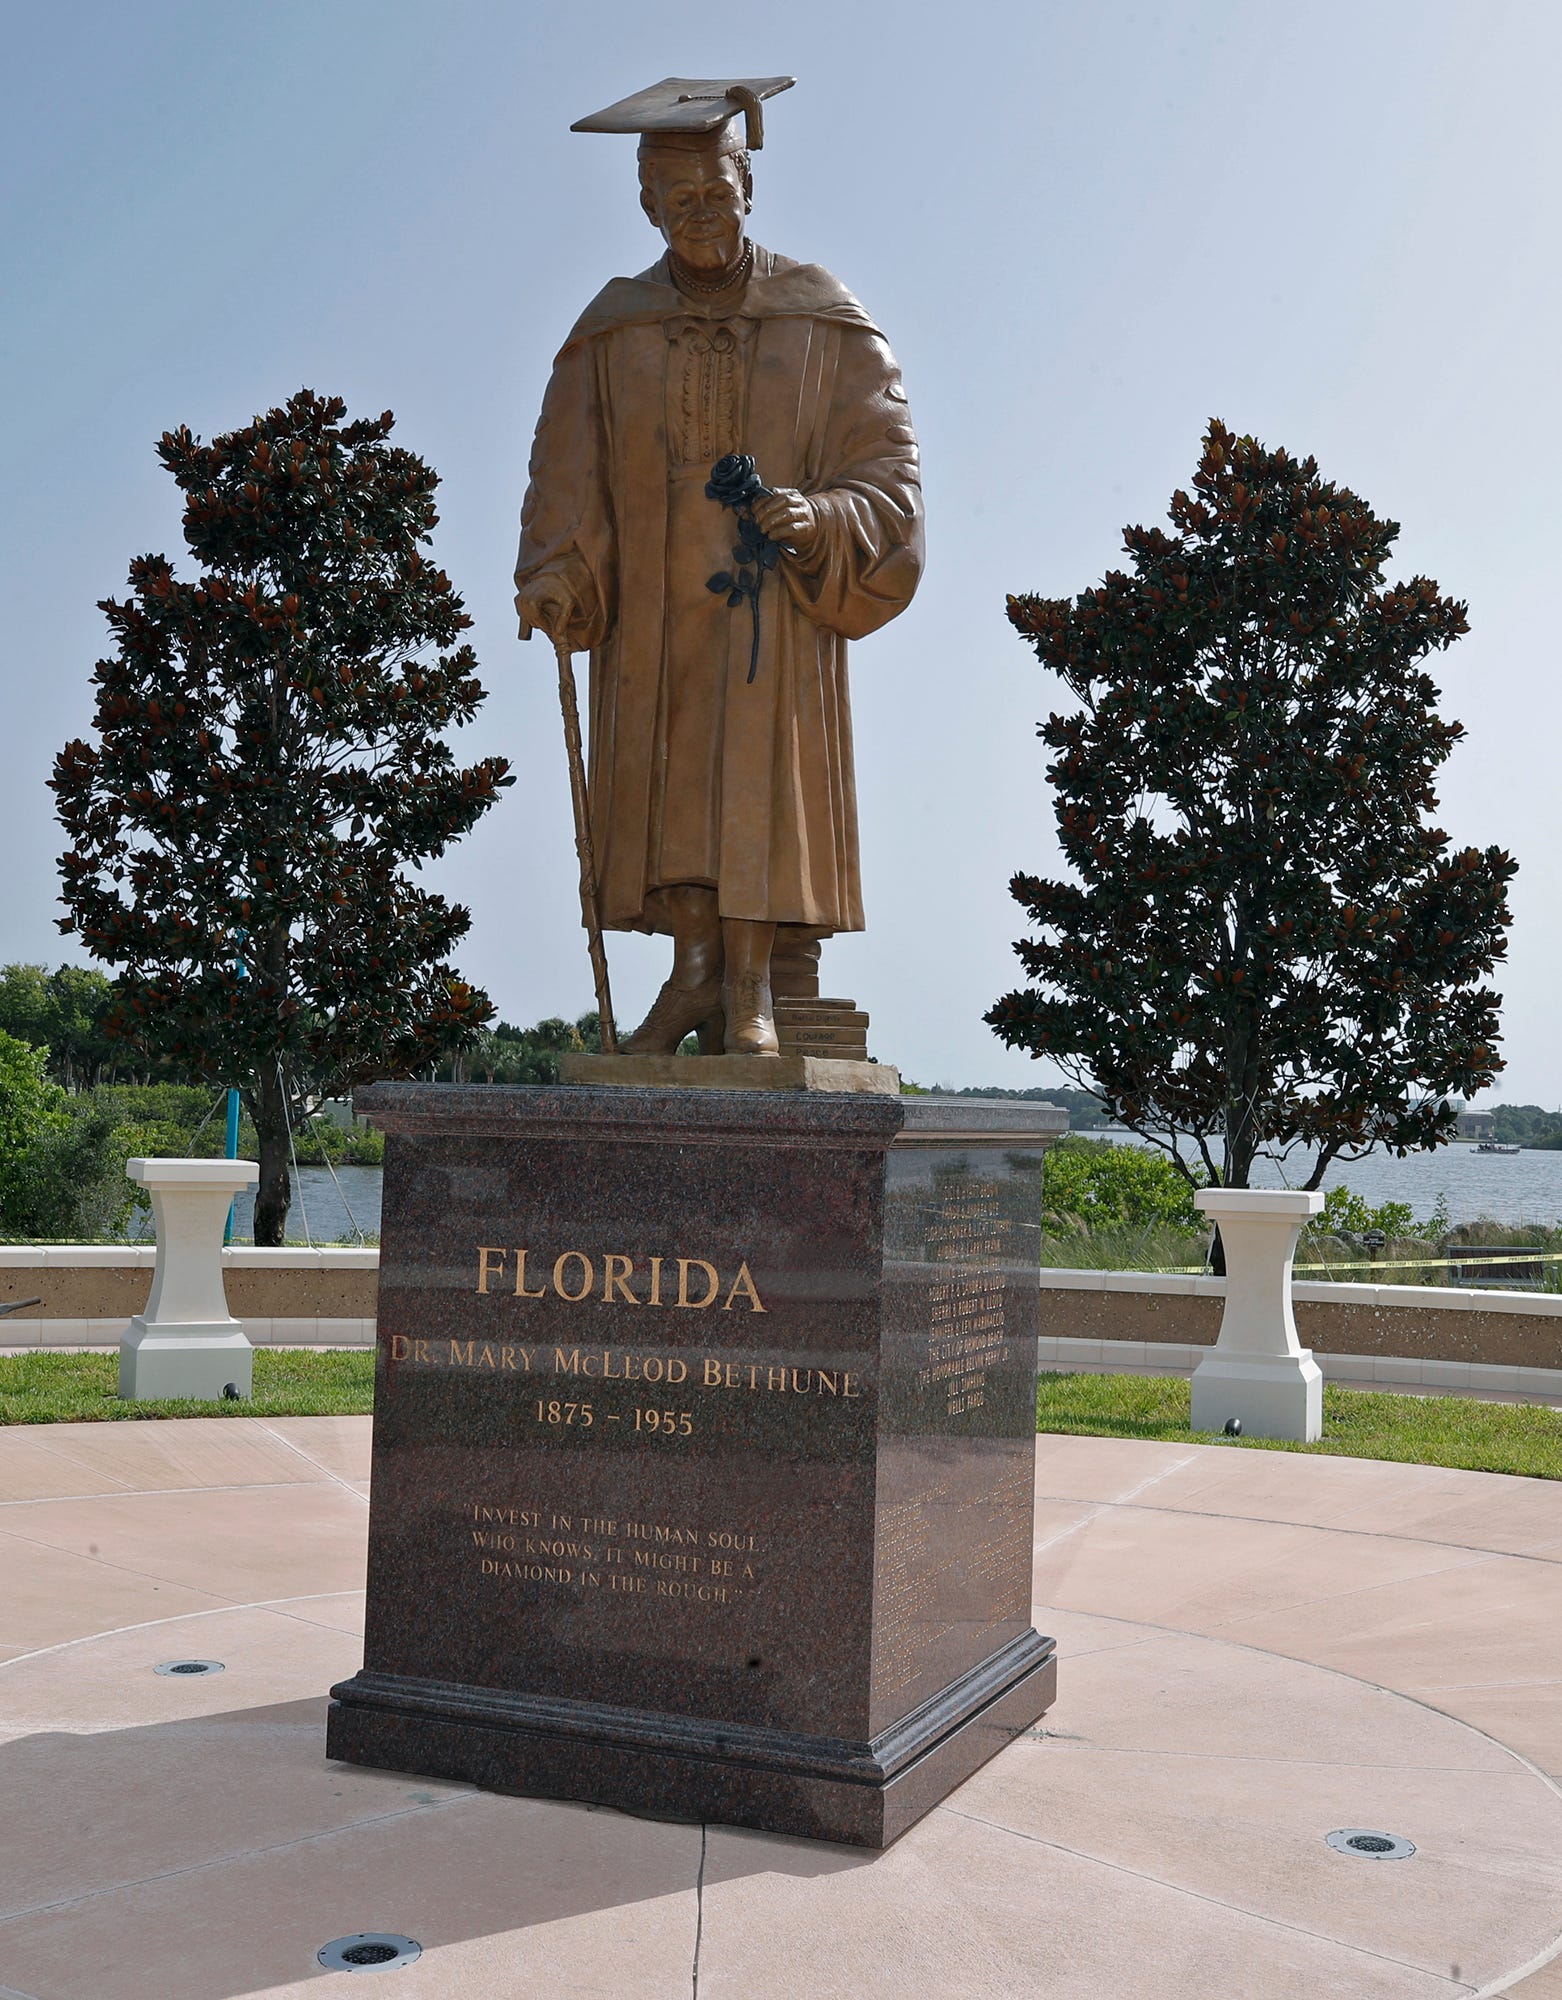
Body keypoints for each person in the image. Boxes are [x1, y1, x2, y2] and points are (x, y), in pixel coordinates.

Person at [515, 77, 923, 1056]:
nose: (700, 215)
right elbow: (566, 474)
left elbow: (889, 477)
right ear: (648, 207)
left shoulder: (820, 318)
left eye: (717, 193)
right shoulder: (612, 330)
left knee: (754, 788)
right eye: (678, 200)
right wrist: (557, 572)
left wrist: (818, 514)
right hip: (651, 621)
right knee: (666, 786)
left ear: (748, 188)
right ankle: (691, 976)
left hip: (769, 610)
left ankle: (749, 987)